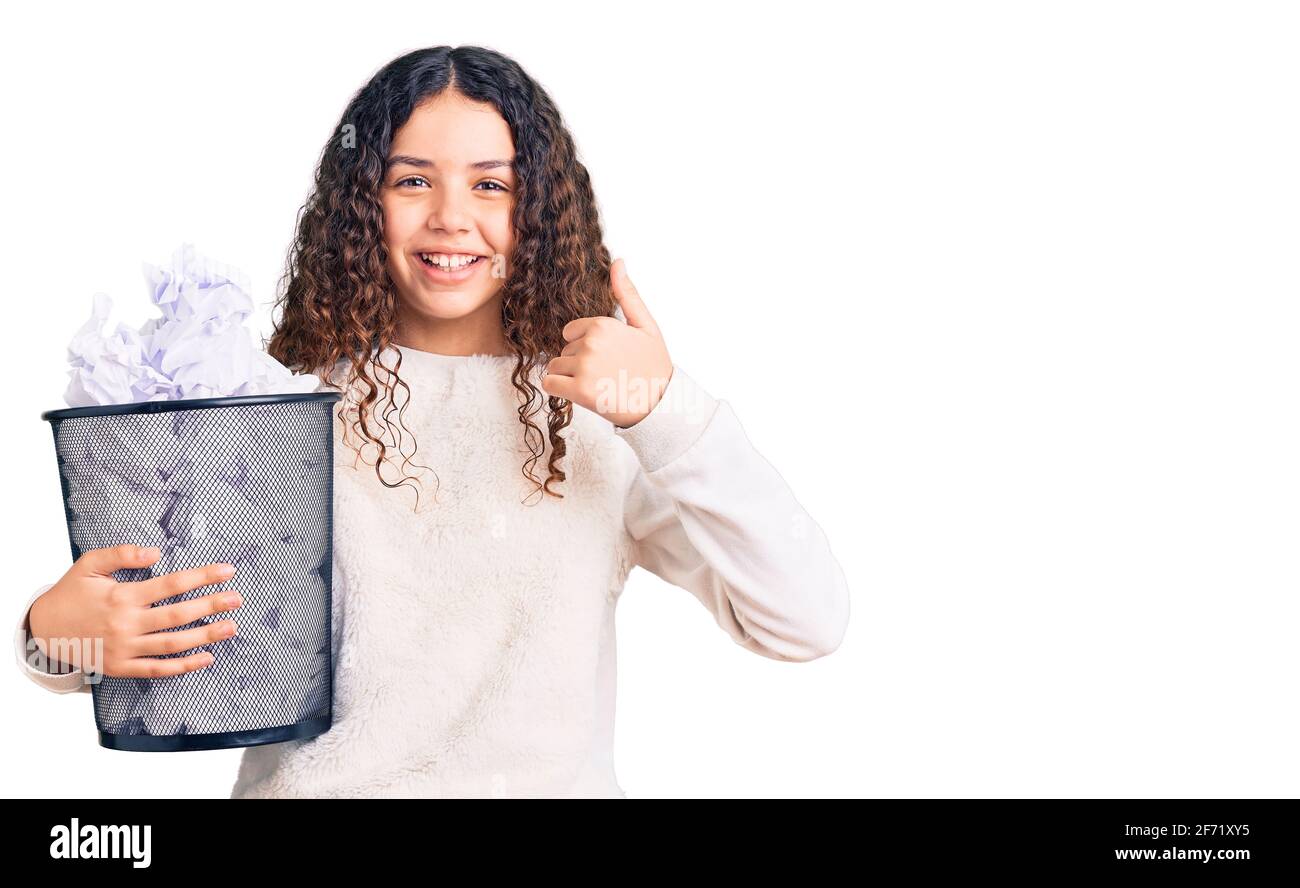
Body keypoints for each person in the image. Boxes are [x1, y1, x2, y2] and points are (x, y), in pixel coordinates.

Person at [15, 45, 850, 798]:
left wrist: (670, 413)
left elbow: (805, 621)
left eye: (491, 184)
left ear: (539, 211)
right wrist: (49, 642)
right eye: (413, 180)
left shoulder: (596, 425)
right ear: (361, 203)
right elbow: (175, 642)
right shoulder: (281, 411)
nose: (451, 216)